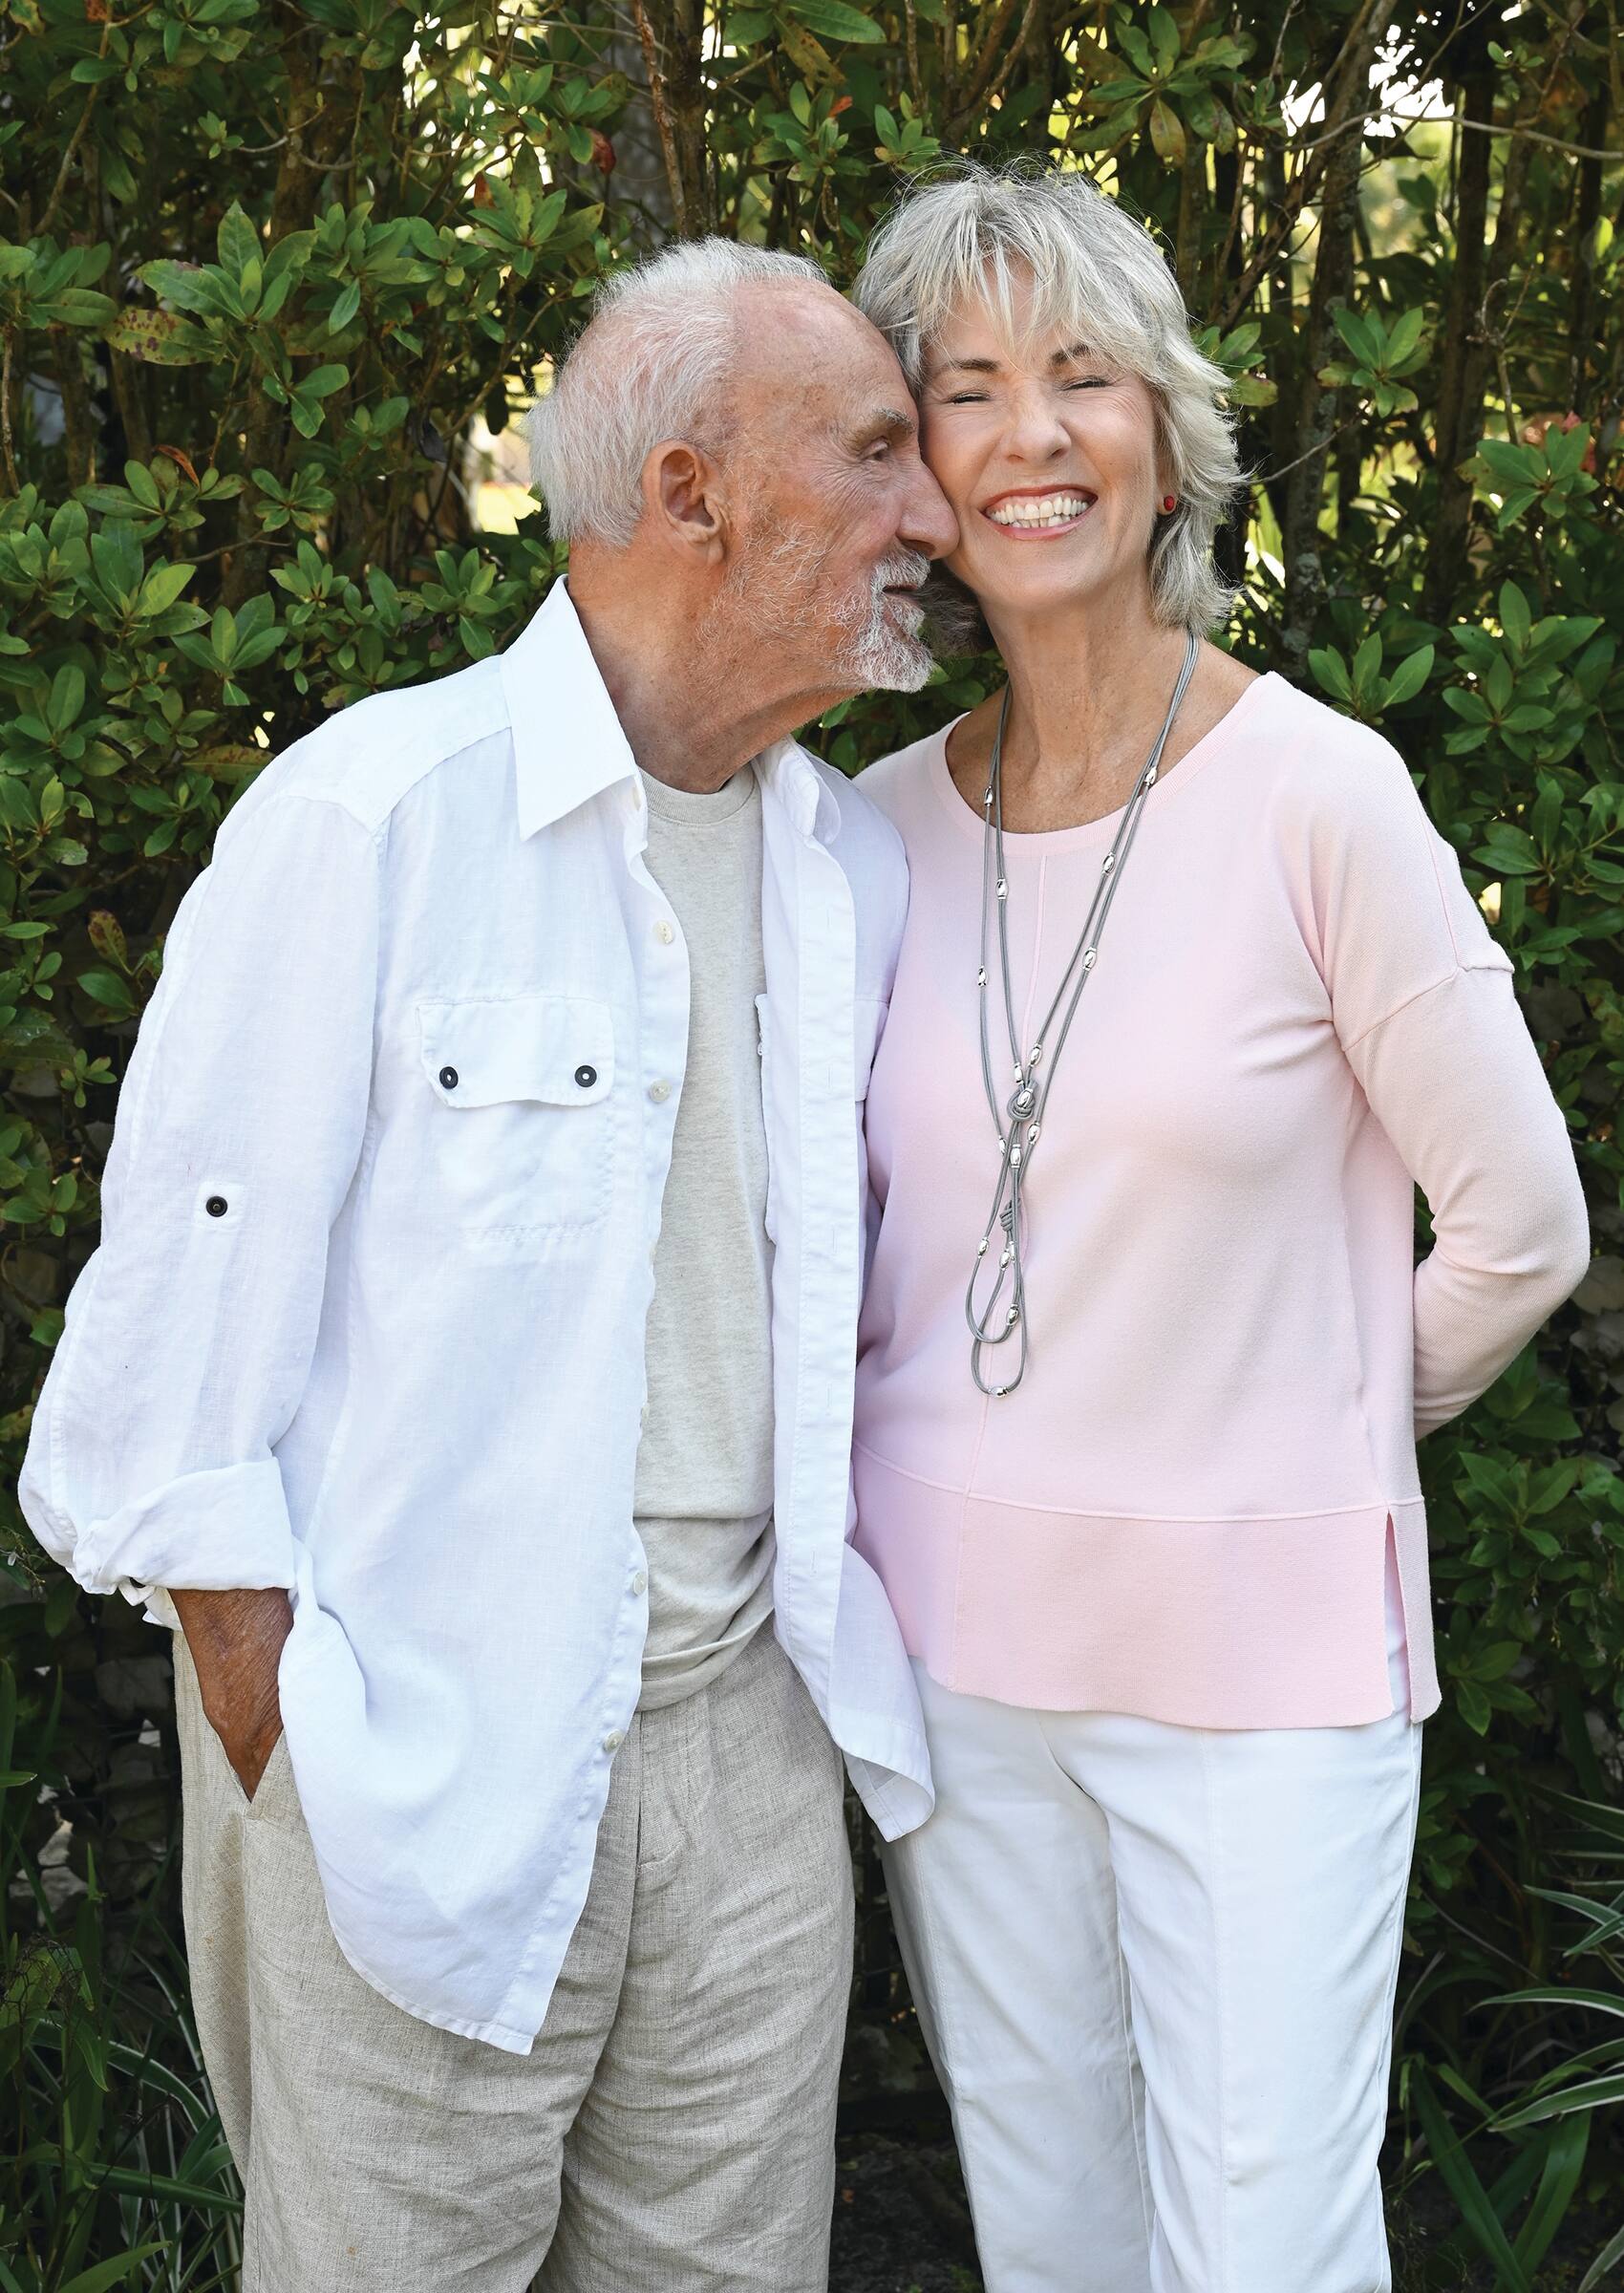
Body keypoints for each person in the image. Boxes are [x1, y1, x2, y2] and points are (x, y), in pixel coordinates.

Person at [19, 238, 954, 2291]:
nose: (932, 510)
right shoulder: (372, 819)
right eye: (877, 453)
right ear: (694, 492)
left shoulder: (853, 871)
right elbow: (173, 1372)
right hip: (412, 1744)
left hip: (749, 1754)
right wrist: (292, 1734)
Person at [848, 162, 1590, 2293]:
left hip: (1259, 1683)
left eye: (1080, 374)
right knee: (1053, 2239)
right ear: (915, 460)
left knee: (1262, 2250)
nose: (1028, 437)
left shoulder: (1317, 795)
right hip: (953, 1663)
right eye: (966, 389)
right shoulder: (872, 836)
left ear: (1161, 427)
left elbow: (1519, 1226)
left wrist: (1310, 1434)